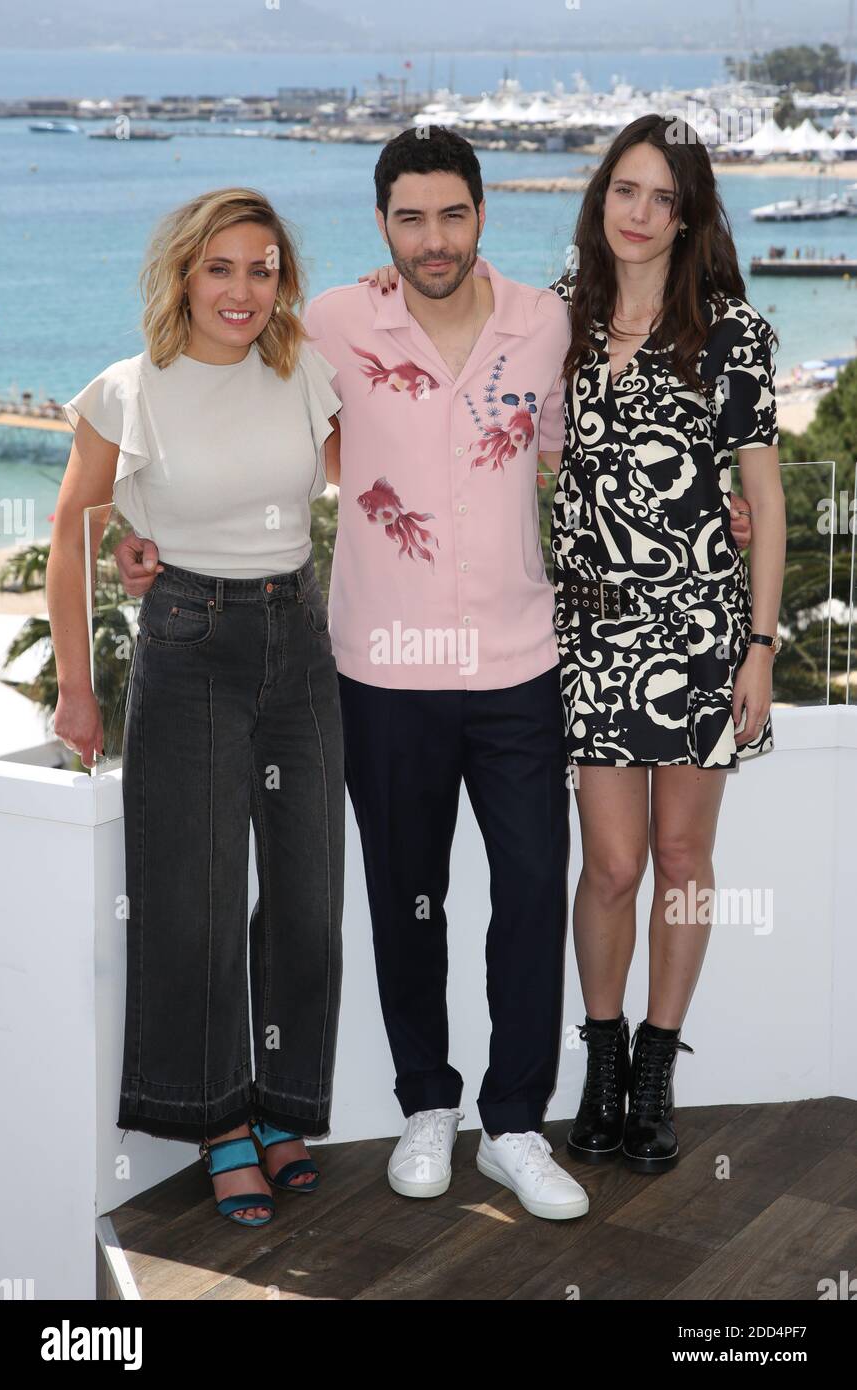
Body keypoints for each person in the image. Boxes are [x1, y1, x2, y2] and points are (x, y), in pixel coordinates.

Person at [119, 127, 591, 1222]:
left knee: (528, 895)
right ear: (382, 224)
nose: (434, 239)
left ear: (483, 215)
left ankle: (514, 1124)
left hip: (522, 663)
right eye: (410, 217)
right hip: (379, 669)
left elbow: (572, 450)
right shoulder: (326, 323)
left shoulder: (541, 322)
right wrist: (129, 526)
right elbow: (190, 380)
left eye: (452, 214)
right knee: (403, 900)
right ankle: (425, 1103)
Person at [47, 187, 346, 1227]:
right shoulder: (130, 391)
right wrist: (76, 690)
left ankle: (283, 1104)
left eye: (262, 268)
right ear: (182, 272)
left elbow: (373, 483)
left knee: (308, 900)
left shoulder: (302, 369)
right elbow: (71, 537)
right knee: (198, 900)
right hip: (187, 642)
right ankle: (218, 1120)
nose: (241, 289)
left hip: (299, 642)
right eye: (221, 268)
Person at [548, 114, 786, 1172]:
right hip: (593, 632)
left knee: (683, 858)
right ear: (599, 201)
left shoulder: (728, 333)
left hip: (699, 630)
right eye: (624, 192)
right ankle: (597, 1065)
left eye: (662, 199)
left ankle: (653, 1071)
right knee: (610, 863)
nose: (639, 215)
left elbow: (764, 503)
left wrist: (760, 646)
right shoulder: (555, 322)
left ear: (686, 219)